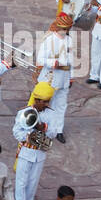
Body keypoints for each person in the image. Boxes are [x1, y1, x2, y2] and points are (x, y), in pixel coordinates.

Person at [12, 83, 60, 200]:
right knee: (20, 182)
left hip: (40, 153)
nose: (46, 104)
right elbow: (16, 132)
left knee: (32, 183)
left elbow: (54, 132)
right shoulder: (24, 112)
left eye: (47, 101)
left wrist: (43, 128)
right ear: (36, 100)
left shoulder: (51, 114)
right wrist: (30, 134)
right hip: (26, 151)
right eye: (43, 101)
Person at [35, 12, 73, 142]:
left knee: (61, 105)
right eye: (63, 28)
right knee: (45, 104)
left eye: (67, 29)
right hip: (50, 76)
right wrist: (53, 63)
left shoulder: (70, 40)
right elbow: (40, 59)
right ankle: (41, 127)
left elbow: (71, 60)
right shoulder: (49, 39)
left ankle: (58, 130)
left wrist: (71, 77)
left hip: (64, 77)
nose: (65, 31)